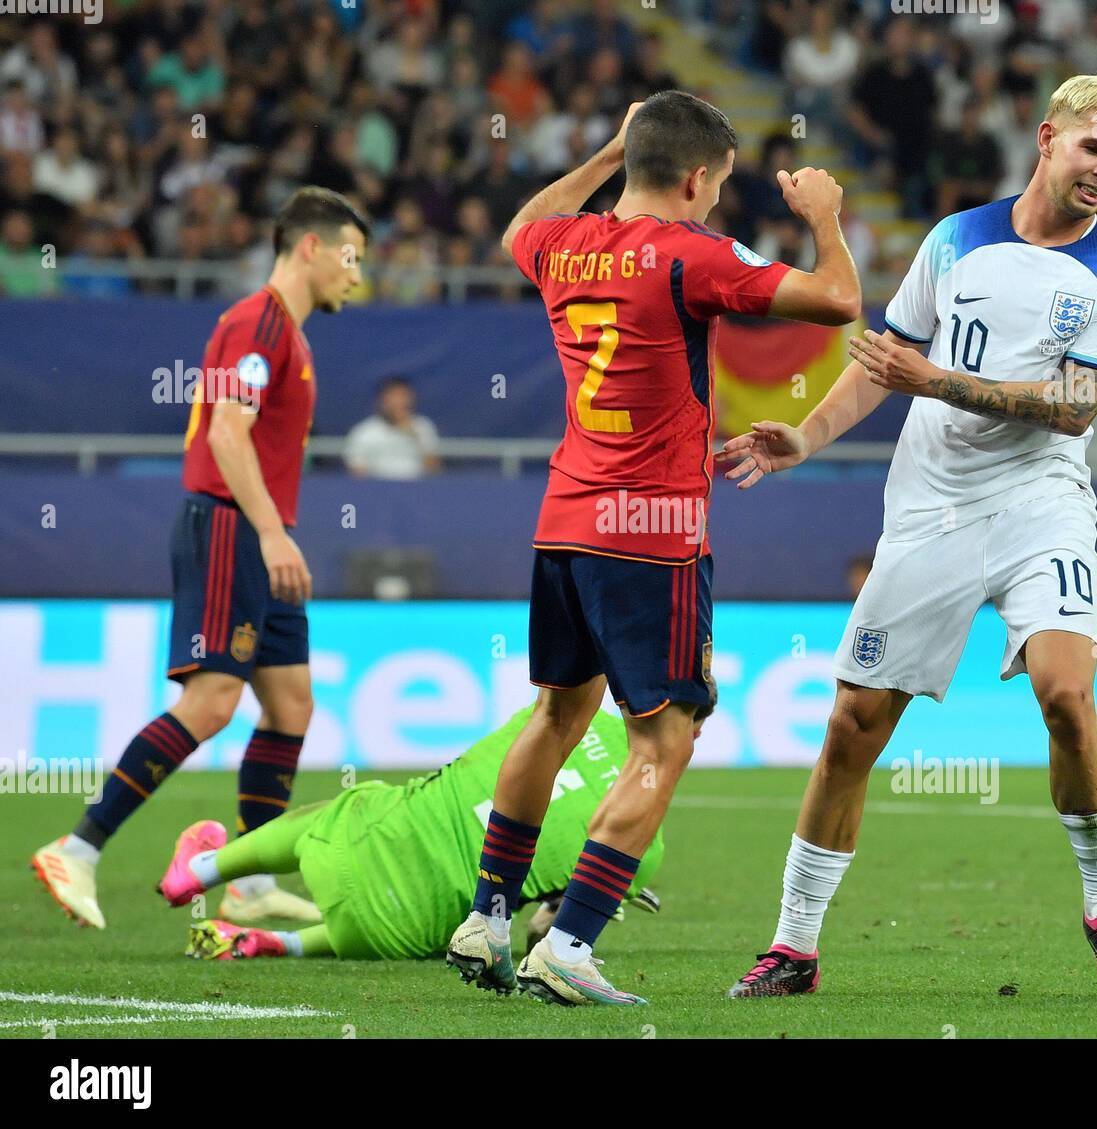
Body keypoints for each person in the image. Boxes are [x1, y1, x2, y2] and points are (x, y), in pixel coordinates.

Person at [721, 75, 1097, 1001]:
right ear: (1048, 138)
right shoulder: (955, 238)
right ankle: (793, 946)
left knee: (1067, 696)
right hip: (930, 507)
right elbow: (885, 362)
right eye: (1094, 150)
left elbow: (1074, 413)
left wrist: (938, 381)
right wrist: (807, 434)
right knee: (852, 726)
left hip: (1042, 499)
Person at [446, 90, 859, 1007]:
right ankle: (573, 942)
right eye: (719, 184)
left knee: (555, 717)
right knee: (665, 738)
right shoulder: (691, 255)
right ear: (699, 177)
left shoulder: (562, 244)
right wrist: (826, 219)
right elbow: (837, 301)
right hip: (653, 538)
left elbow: (523, 221)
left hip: (564, 519)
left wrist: (603, 154)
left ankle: (487, 914)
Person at [32, 187, 368, 931]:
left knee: (290, 703)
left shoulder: (289, 335)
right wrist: (271, 533)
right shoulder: (257, 323)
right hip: (228, 528)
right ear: (308, 246)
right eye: (350, 255)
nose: (357, 273)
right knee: (213, 700)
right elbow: (225, 433)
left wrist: (274, 530)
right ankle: (79, 846)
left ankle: (245, 883)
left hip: (258, 531)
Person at [157, 708, 663, 965]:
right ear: (694, 733)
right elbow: (541, 936)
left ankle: (200, 872)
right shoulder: (647, 850)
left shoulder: (568, 718)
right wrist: (562, 900)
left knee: (351, 806)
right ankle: (281, 944)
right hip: (388, 936)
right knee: (452, 920)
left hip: (350, 850)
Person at [344, 375, 442, 478]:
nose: (400, 401)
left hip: (418, 489)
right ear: (382, 399)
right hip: (377, 489)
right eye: (394, 396)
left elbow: (434, 469)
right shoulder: (365, 431)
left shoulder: (423, 426)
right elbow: (357, 471)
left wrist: (416, 437)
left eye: (404, 395)